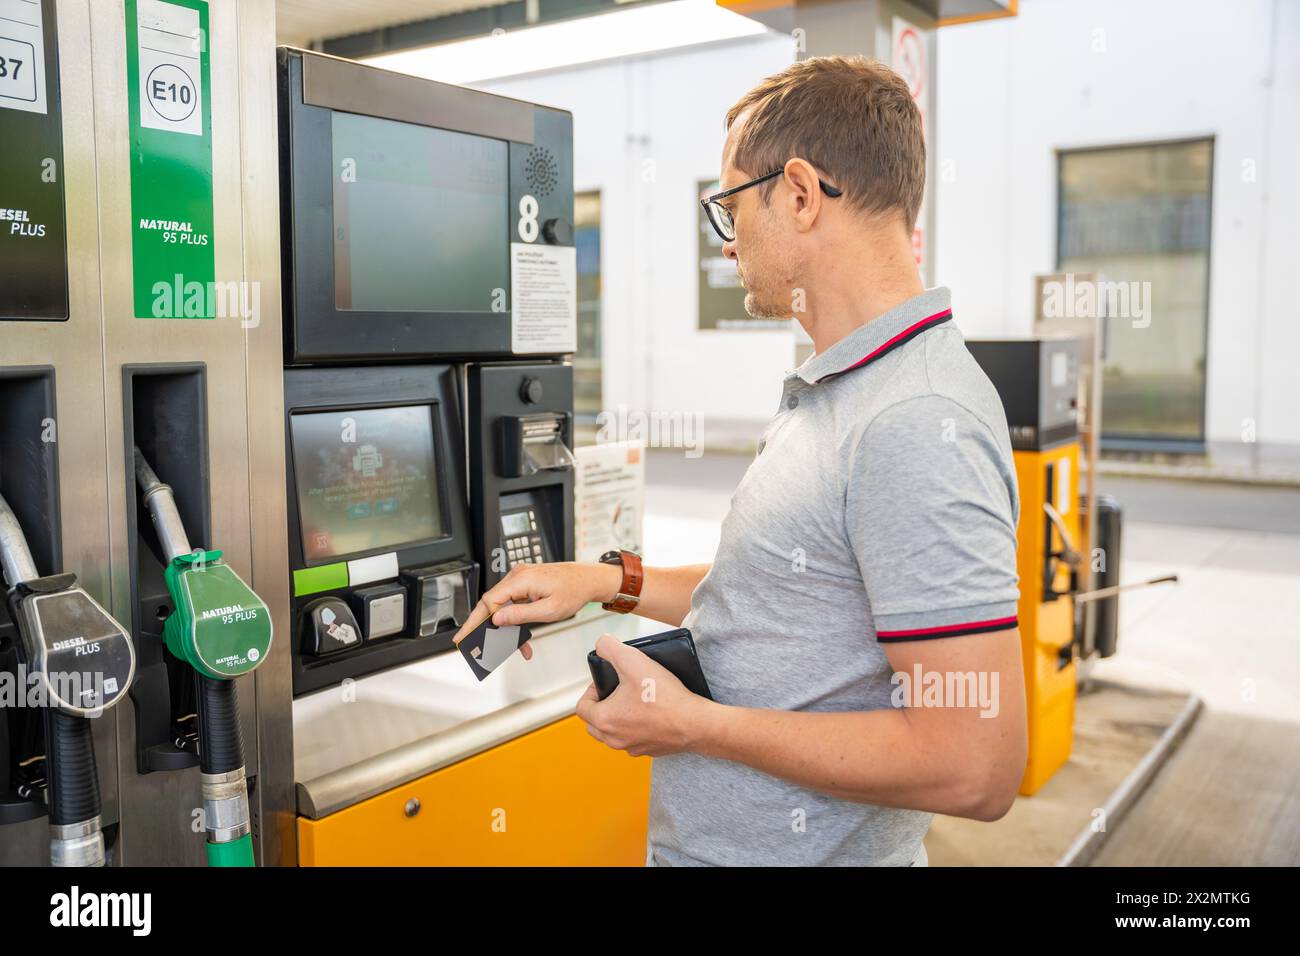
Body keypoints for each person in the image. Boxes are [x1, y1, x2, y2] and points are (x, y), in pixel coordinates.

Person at [456, 55, 1027, 867]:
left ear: (798, 194)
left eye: (730, 207)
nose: (727, 245)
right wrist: (607, 584)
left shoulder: (912, 418)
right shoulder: (845, 387)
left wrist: (692, 725)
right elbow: (784, 591)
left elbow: (975, 766)